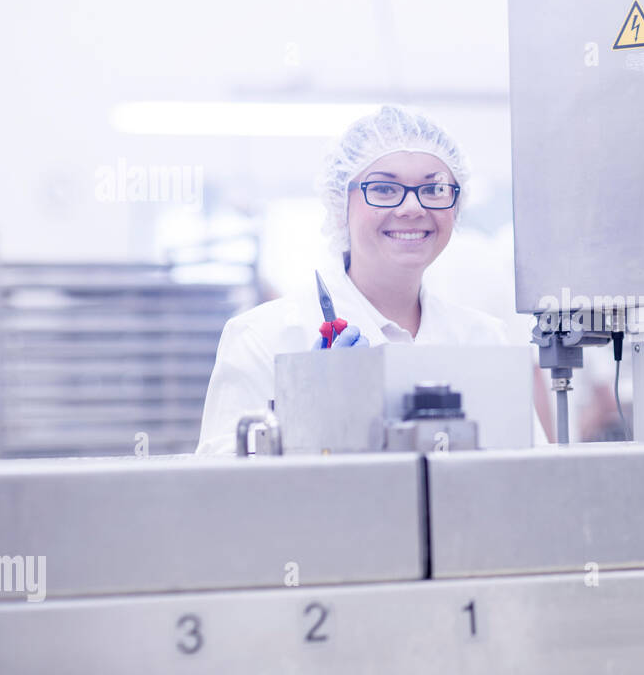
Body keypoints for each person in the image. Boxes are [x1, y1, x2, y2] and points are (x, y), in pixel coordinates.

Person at [195, 105, 545, 454]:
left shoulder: (484, 340)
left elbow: (526, 477)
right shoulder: (264, 339)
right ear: (340, 204)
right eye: (384, 189)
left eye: (434, 189)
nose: (413, 208)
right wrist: (305, 427)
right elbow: (223, 494)